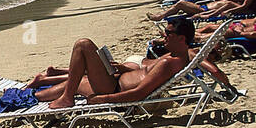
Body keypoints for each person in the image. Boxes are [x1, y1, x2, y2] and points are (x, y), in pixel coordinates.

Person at [34, 17, 228, 109]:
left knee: (83, 45)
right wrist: (123, 68)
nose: (164, 36)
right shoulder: (173, 57)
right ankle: (40, 94)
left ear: (182, 39)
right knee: (44, 94)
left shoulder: (172, 62)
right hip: (115, 80)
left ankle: (66, 98)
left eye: (169, 34)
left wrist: (103, 99)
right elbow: (143, 74)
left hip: (114, 88)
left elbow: (139, 93)